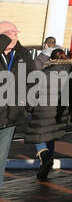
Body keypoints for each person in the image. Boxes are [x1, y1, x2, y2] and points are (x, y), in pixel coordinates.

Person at [26, 50, 72, 181]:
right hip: (60, 111)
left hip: (42, 109)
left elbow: (33, 94)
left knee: (38, 136)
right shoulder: (71, 74)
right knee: (51, 136)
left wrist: (29, 108)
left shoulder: (44, 73)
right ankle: (45, 167)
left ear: (51, 59)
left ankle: (44, 155)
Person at [0, 23, 34, 188]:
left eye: (16, 32)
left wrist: (25, 103)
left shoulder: (22, 54)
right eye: (8, 33)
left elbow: (32, 79)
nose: (13, 36)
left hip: (11, 114)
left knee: (1, 155)